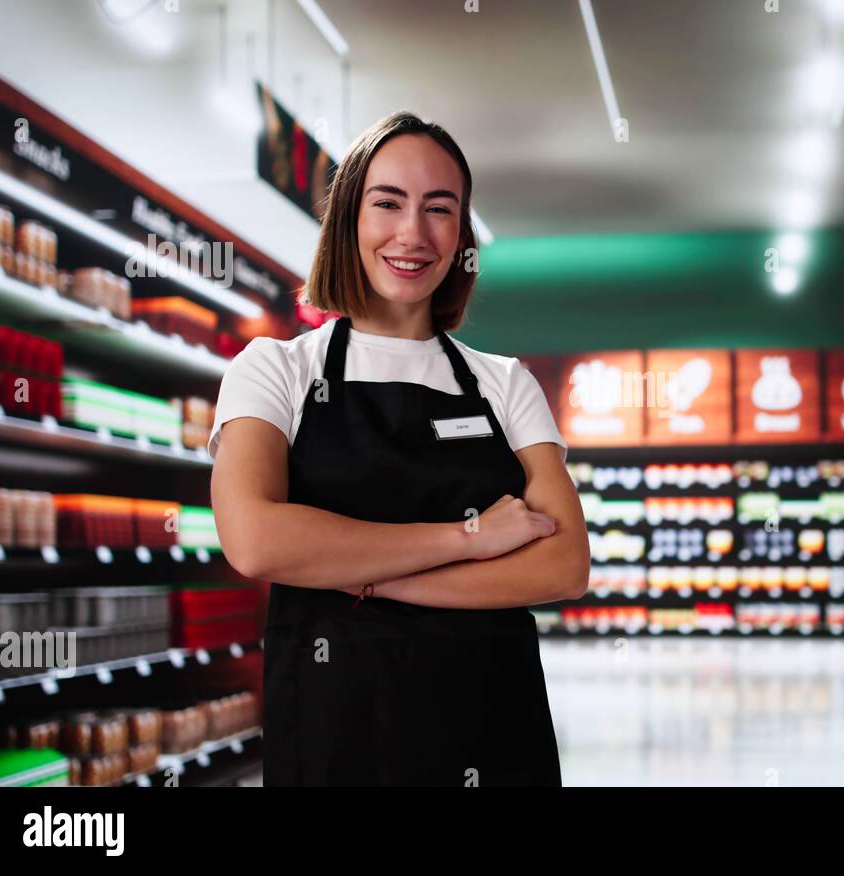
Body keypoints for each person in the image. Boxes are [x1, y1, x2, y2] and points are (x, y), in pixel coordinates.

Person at [208, 111, 589, 787]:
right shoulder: (274, 370)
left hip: (493, 732)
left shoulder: (504, 384)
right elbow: (258, 541)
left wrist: (362, 576)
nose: (412, 233)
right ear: (350, 217)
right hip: (335, 738)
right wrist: (473, 537)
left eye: (439, 209)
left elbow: (562, 566)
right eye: (388, 203)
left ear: (461, 234)